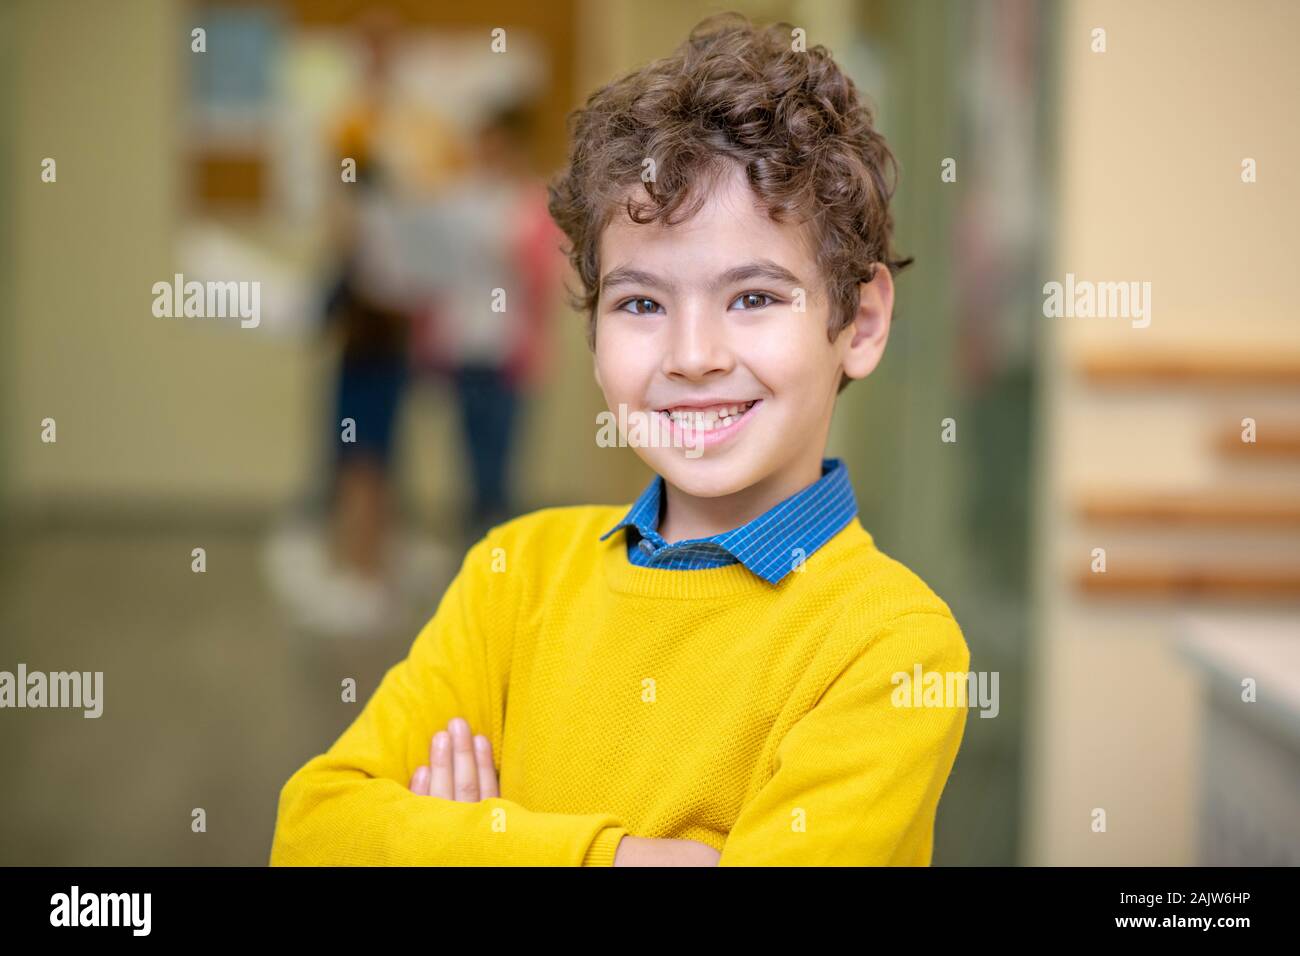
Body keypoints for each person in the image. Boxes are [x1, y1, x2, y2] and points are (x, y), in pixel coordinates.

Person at [271, 12, 970, 866]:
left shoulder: (891, 645)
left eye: (753, 297)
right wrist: (628, 858)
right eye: (641, 303)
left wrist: (464, 842)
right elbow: (313, 831)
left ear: (858, 320)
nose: (693, 357)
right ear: (595, 335)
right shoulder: (512, 574)